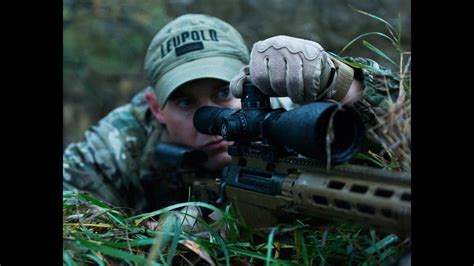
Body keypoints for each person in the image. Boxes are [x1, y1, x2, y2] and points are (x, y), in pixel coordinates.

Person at [63, 14, 401, 213]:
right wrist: (160, 233)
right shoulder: (122, 139)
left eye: (224, 92)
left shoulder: (297, 115)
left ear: (249, 82)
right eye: (185, 102)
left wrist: (343, 83)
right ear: (156, 108)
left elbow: (400, 140)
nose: (214, 124)